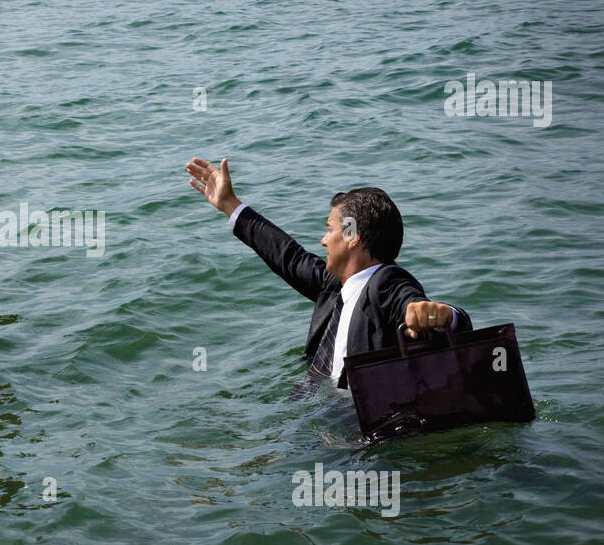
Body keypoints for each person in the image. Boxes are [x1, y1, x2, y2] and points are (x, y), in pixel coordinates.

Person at [185, 157, 472, 391]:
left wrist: (440, 314)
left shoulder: (386, 282)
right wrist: (230, 205)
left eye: (329, 229)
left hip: (356, 432)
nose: (323, 240)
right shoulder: (333, 285)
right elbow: (286, 255)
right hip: (318, 412)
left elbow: (410, 303)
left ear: (351, 235)